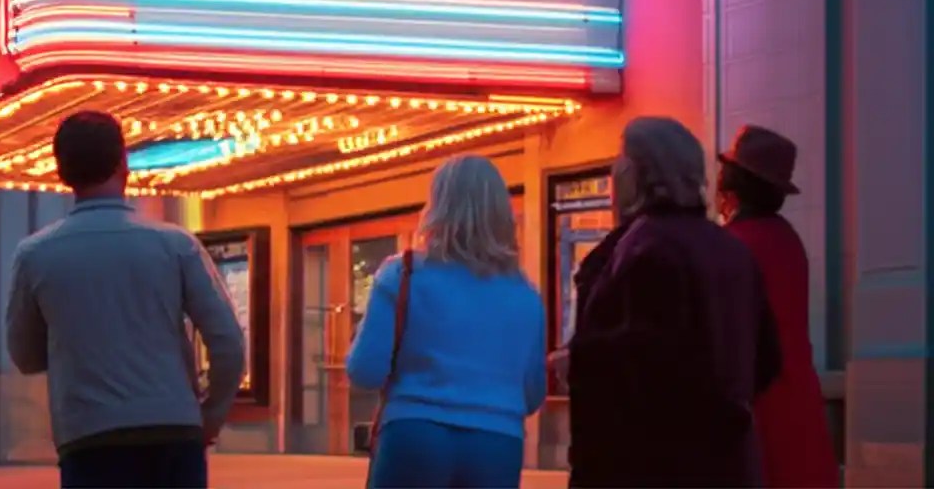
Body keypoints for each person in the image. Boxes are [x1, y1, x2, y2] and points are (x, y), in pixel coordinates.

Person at [6, 110, 245, 489]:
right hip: (173, 430)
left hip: (88, 435)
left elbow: (25, 356)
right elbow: (228, 342)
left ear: (61, 171)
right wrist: (210, 415)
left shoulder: (35, 255)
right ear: (124, 163)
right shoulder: (175, 244)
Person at [565, 117, 781, 488]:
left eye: (621, 159)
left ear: (638, 173)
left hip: (654, 467)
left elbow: (639, 367)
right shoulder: (732, 250)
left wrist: (579, 358)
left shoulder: (641, 249)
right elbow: (767, 359)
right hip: (729, 463)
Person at [347, 154, 546, 489]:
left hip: (413, 436)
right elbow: (532, 394)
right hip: (497, 444)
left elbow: (365, 370)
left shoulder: (403, 274)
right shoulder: (525, 295)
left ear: (437, 207)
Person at [718, 125, 839, 487]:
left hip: (756, 414)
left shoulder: (732, 245)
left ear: (731, 187)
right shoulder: (787, 239)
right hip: (800, 409)